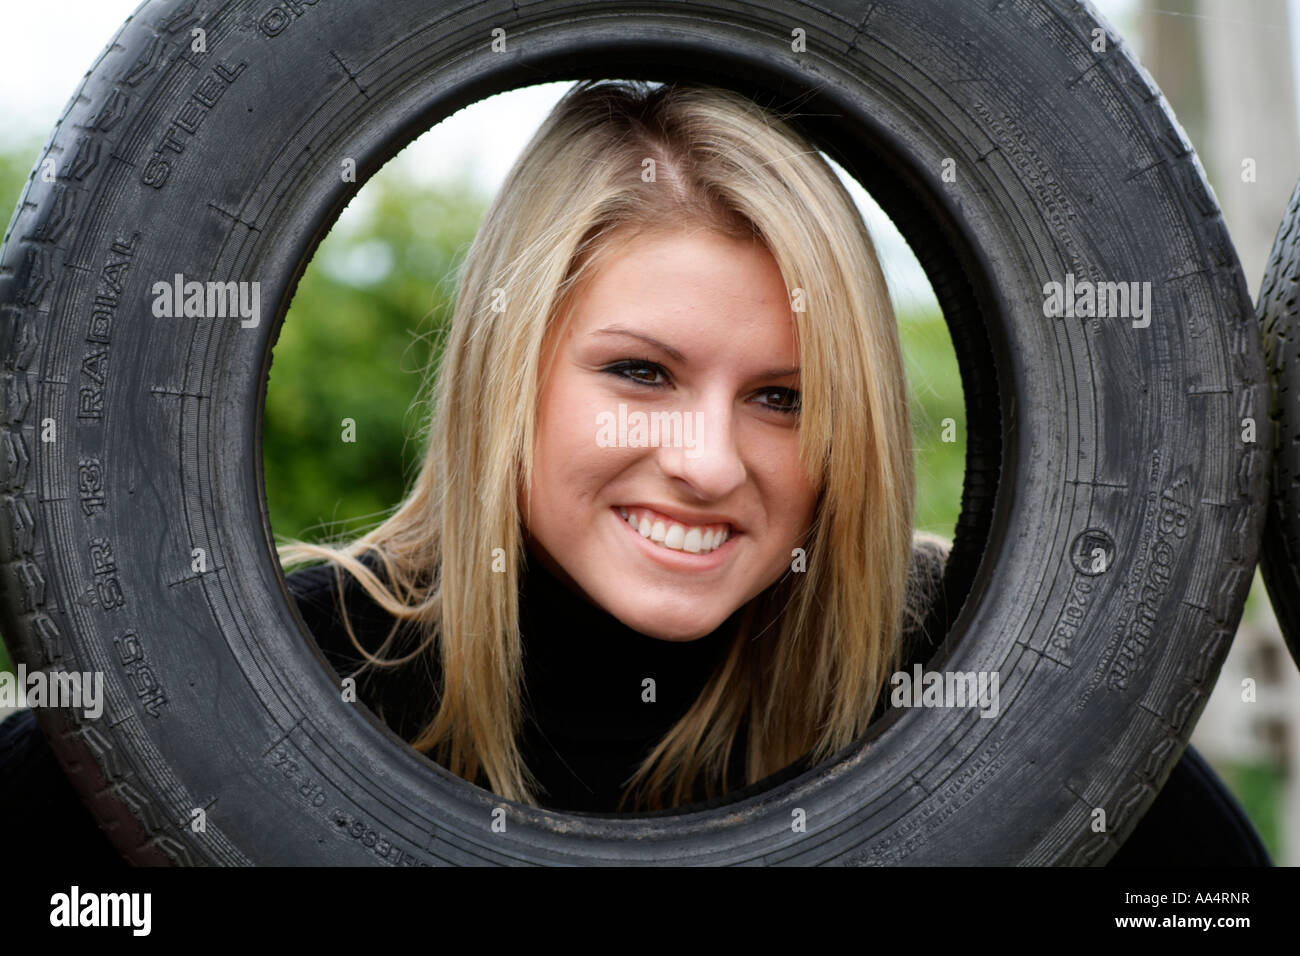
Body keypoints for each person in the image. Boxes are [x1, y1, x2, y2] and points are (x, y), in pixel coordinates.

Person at [0, 79, 1271, 865]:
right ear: (514, 370)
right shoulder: (255, 683)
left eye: (783, 396)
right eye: (641, 374)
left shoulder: (982, 688)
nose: (709, 461)